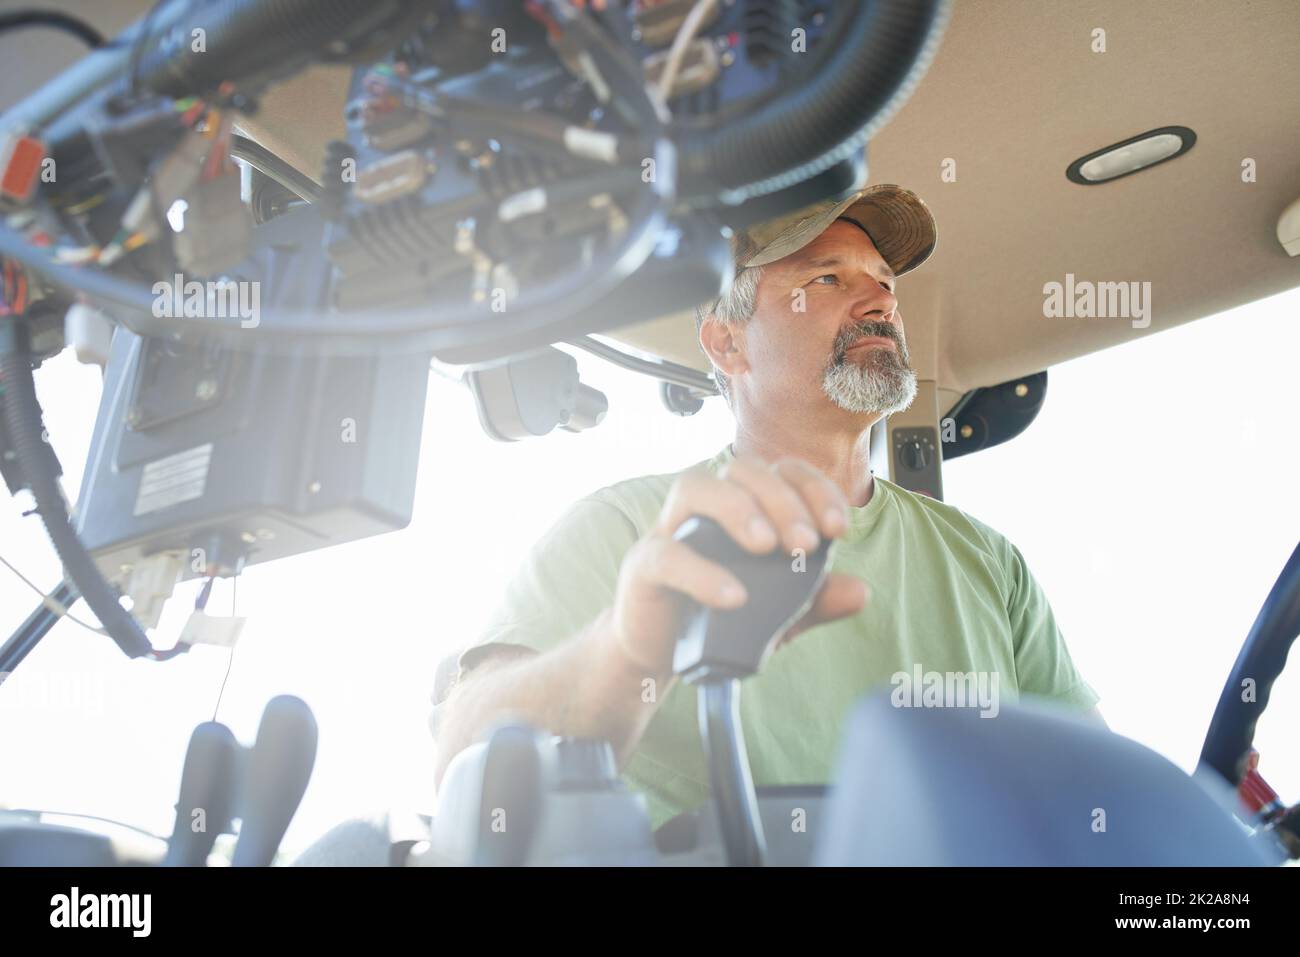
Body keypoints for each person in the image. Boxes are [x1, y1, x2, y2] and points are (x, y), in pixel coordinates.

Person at [432, 184, 1102, 831]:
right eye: (829, 280)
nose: (879, 303)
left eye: (886, 283)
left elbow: (1098, 795)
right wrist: (630, 648)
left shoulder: (989, 562)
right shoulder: (630, 531)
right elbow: (465, 753)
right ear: (727, 344)